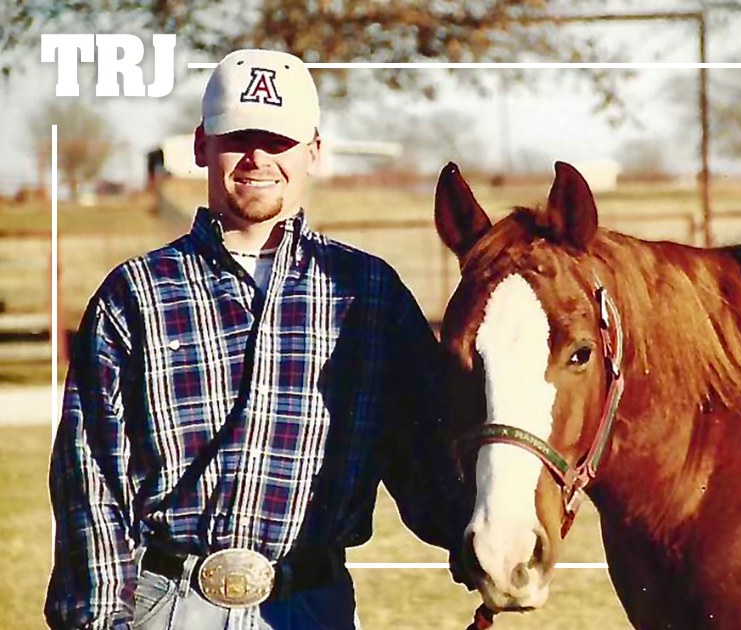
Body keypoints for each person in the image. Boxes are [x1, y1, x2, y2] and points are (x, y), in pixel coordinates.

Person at [45, 49, 471, 630]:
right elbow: (89, 473)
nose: (257, 158)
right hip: (167, 604)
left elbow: (427, 455)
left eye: (279, 140)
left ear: (314, 152)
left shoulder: (369, 295)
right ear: (201, 146)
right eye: (237, 137)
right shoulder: (135, 295)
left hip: (310, 604)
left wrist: (492, 542)